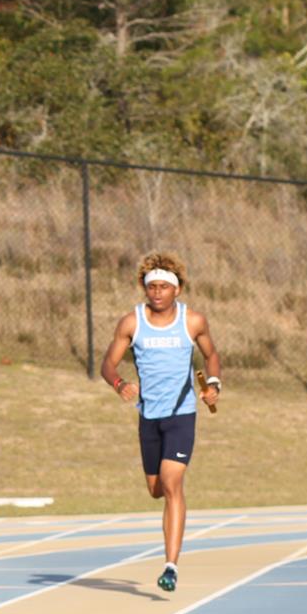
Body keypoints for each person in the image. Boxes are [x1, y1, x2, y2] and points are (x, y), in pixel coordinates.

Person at [99, 252, 223, 593]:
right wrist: (120, 384)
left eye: (163, 287)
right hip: (148, 416)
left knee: (172, 484)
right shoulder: (131, 323)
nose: (156, 292)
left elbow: (211, 355)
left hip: (181, 415)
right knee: (155, 490)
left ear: (177, 290)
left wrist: (213, 385)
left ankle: (171, 565)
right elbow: (107, 365)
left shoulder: (192, 321)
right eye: (151, 286)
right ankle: (170, 550)